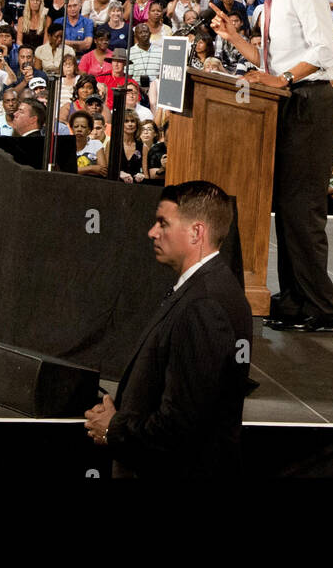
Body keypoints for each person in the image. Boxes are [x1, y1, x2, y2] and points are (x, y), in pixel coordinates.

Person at [210, 0, 333, 332]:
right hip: (286, 102)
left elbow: (324, 52)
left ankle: (321, 306)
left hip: (310, 103)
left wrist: (283, 80)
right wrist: (234, 38)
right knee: (285, 207)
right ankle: (294, 299)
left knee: (302, 208)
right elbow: (269, 66)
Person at [83, 181, 252, 478]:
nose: (152, 232)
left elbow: (179, 425)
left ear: (196, 232)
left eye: (163, 223)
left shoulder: (204, 305)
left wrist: (114, 428)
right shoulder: (202, 289)